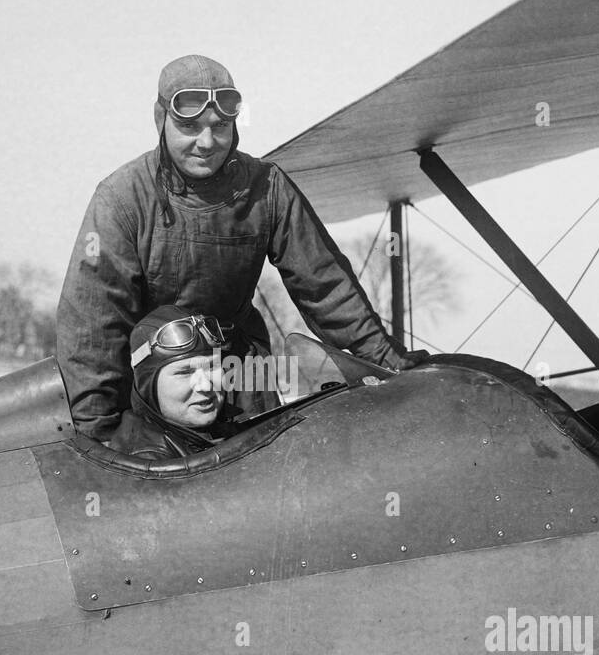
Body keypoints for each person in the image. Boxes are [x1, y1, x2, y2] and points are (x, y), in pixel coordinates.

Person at [57, 53, 428, 445]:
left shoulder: (266, 186)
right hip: (158, 381)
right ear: (159, 119)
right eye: (189, 126)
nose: (207, 142)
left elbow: (324, 283)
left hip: (239, 371)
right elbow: (93, 328)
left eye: (220, 126)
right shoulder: (122, 197)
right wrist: (98, 437)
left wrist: (385, 360)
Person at [109, 305, 237, 460]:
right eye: (185, 372)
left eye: (212, 367)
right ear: (148, 387)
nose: (205, 385)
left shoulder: (227, 420)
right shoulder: (146, 462)